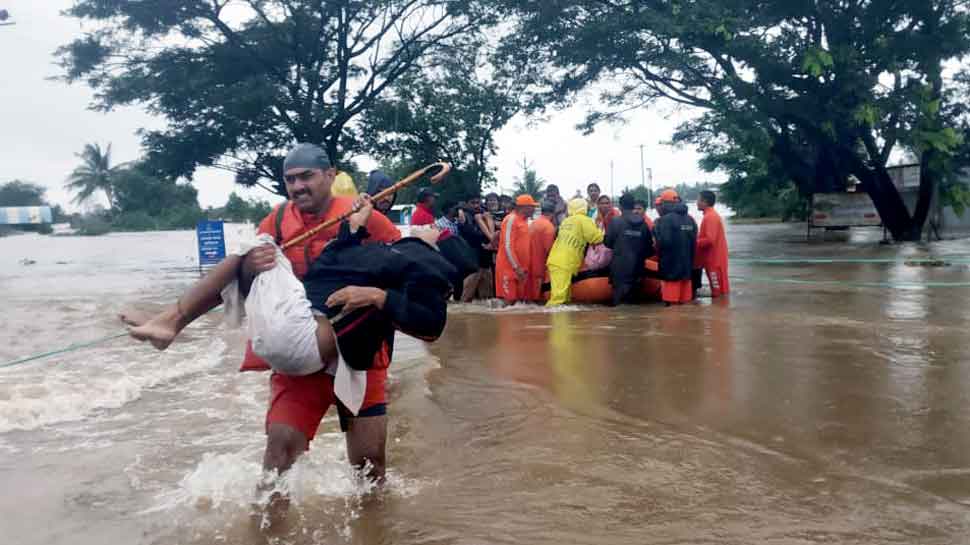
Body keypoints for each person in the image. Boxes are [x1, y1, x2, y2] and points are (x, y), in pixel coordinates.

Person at [546, 198, 604, 306]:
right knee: (558, 300)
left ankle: (563, 322)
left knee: (565, 299)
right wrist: (604, 231)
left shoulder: (566, 221)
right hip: (565, 263)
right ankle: (551, 320)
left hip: (557, 261)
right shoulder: (584, 220)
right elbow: (595, 238)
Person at [604, 193, 655, 306]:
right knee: (635, 306)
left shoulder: (615, 222)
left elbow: (607, 243)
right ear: (633, 206)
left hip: (619, 270)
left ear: (620, 206)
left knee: (620, 308)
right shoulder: (644, 224)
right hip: (638, 270)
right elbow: (649, 248)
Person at [653, 189, 697, 305]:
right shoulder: (690, 220)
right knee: (685, 305)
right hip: (687, 269)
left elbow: (664, 243)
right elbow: (694, 242)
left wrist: (655, 232)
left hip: (671, 270)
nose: (660, 207)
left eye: (662, 203)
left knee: (671, 308)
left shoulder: (664, 220)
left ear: (666, 204)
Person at [495, 194, 537, 304]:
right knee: (508, 303)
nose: (534, 209)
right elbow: (508, 245)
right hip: (508, 269)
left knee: (517, 305)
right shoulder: (511, 219)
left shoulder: (524, 221)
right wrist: (516, 267)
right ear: (524, 207)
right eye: (532, 207)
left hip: (521, 270)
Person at [693, 190, 731, 298]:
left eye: (698, 200)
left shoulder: (710, 217)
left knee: (718, 293)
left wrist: (693, 242)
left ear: (704, 201)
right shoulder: (710, 215)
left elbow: (710, 240)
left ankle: (720, 312)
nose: (696, 202)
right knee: (721, 290)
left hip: (714, 261)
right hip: (714, 259)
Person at [457, 196, 493, 301]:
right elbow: (473, 234)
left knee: (487, 299)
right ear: (467, 204)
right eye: (473, 203)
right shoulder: (464, 217)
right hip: (473, 263)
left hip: (486, 261)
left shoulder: (485, 215)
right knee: (466, 297)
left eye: (478, 202)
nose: (476, 205)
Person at [528, 199, 557, 301]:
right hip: (539, 269)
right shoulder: (549, 227)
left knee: (528, 301)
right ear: (553, 213)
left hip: (528, 266)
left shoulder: (533, 223)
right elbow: (550, 250)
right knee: (538, 302)